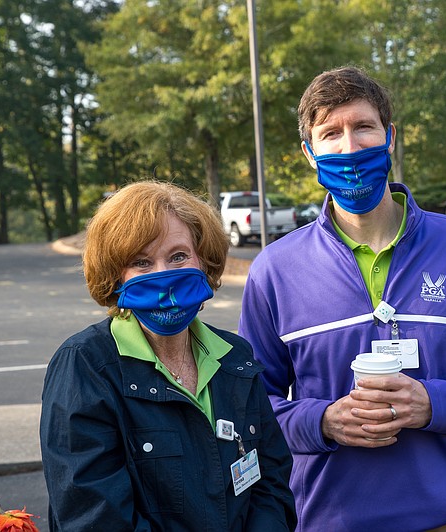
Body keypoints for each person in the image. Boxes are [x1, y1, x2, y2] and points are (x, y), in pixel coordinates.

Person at [238, 66, 446, 531]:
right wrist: (322, 421)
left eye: (363, 127)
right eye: (330, 133)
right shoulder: (274, 270)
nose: (350, 147)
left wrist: (432, 404)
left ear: (390, 137)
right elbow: (251, 411)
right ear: (309, 153)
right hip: (329, 522)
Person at [40, 181, 297, 531]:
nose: (164, 277)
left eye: (178, 256)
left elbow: (272, 484)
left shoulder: (236, 358)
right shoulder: (84, 366)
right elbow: (93, 516)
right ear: (116, 276)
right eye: (141, 263)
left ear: (204, 261)